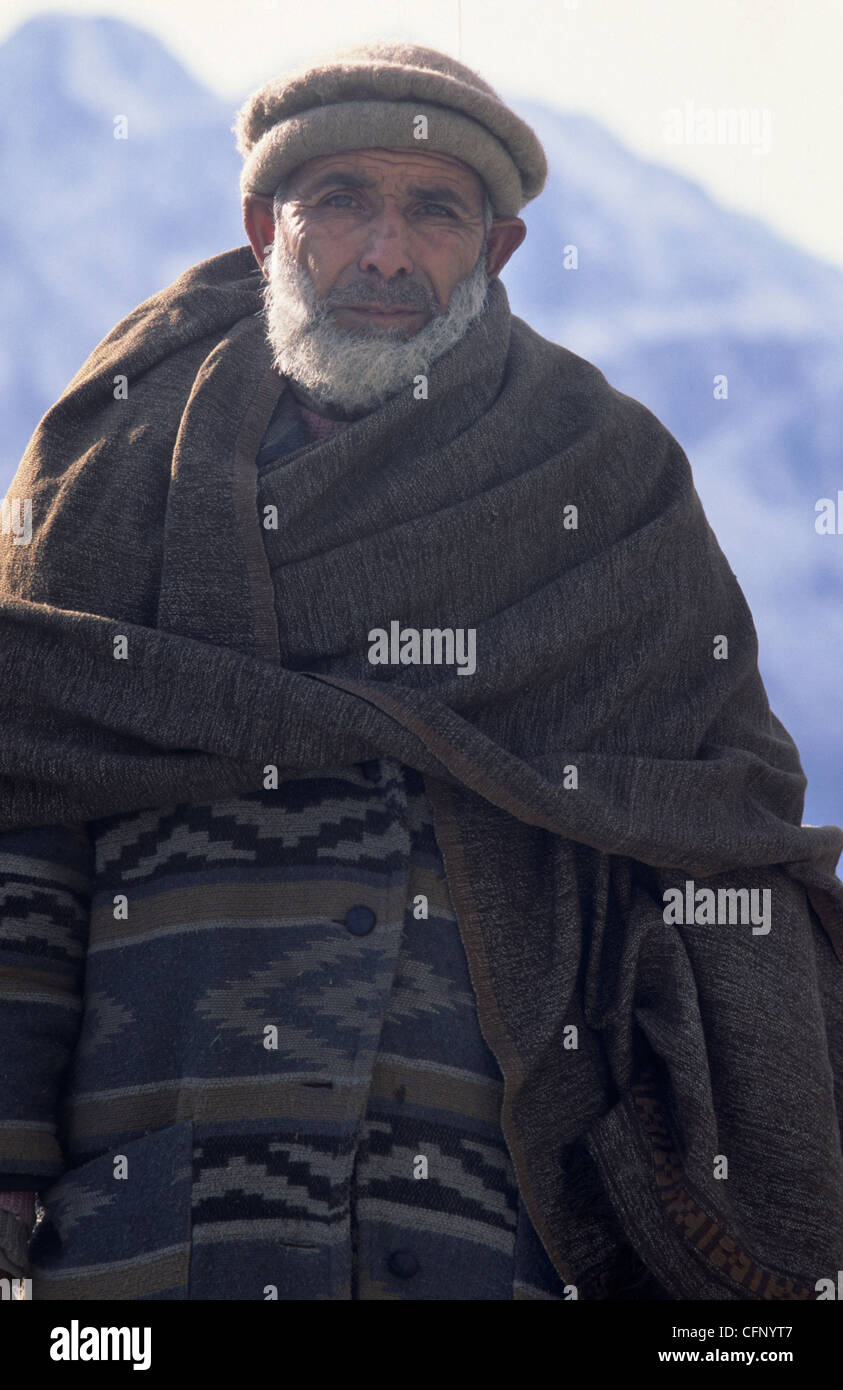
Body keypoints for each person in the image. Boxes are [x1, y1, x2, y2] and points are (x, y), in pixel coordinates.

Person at [0, 39, 841, 1302]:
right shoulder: (114, 456)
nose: (385, 254)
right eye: (339, 201)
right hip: (141, 1238)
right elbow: (25, 796)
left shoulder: (606, 483)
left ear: (495, 251)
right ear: (262, 225)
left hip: (497, 1228)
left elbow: (720, 818)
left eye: (433, 211)